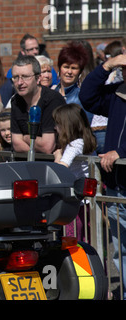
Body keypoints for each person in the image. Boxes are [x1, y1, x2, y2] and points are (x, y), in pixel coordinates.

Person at [79, 51, 126, 298]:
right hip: (116, 186)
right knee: (120, 251)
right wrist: (107, 66)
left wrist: (120, 151)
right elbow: (88, 97)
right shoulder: (118, 94)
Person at [52, 103, 97, 241]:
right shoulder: (85, 141)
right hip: (85, 200)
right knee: (87, 237)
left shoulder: (75, 144)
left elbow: (61, 168)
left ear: (67, 126)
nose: (55, 128)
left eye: (58, 124)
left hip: (79, 201)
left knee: (73, 237)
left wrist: (57, 156)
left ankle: (75, 261)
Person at [10, 55, 66, 154]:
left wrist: (26, 137)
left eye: (25, 77)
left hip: (53, 165)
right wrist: (36, 148)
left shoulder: (52, 100)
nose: (19, 82)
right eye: (15, 77)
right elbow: (16, 144)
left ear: (38, 78)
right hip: (27, 163)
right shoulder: (16, 101)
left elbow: (47, 147)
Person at [53, 41, 92, 124]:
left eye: (74, 68)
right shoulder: (51, 95)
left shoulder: (82, 98)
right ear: (60, 68)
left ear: (80, 72)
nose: (69, 72)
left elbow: (86, 127)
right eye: (66, 67)